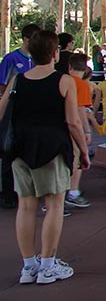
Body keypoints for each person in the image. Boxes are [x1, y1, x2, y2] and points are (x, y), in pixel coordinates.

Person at [0, 30, 90, 284]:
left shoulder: (18, 80)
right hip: (52, 148)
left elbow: (1, 111)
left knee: (26, 206)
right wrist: (83, 151)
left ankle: (29, 266)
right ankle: (48, 265)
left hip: (20, 148)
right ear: (55, 53)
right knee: (54, 205)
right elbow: (73, 122)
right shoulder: (64, 82)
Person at [1, 22, 41, 209]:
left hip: (32, 110)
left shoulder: (37, 59)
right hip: (13, 108)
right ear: (26, 39)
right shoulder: (11, 59)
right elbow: (2, 84)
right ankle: (8, 193)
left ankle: (28, 190)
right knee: (9, 149)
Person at [65, 54, 94, 209]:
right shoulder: (82, 85)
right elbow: (81, 109)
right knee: (77, 161)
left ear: (70, 67)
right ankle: (72, 192)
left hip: (61, 128)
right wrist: (87, 131)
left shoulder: (62, 80)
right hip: (74, 128)